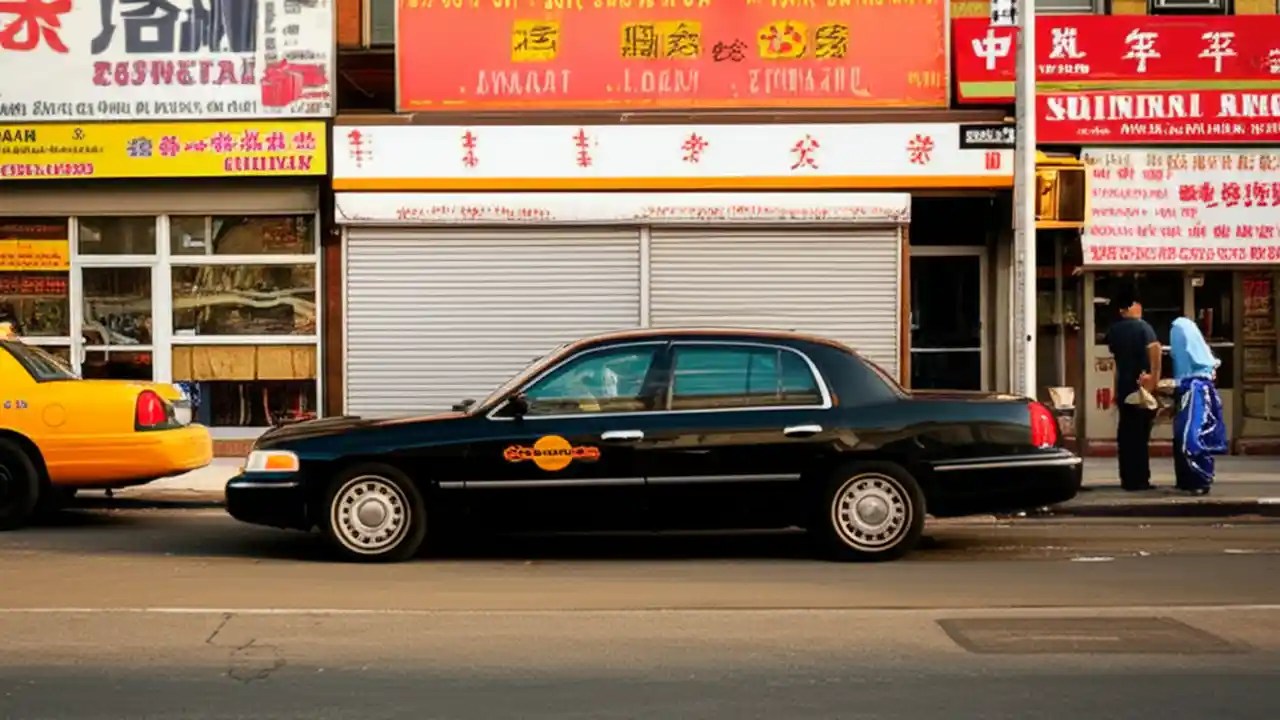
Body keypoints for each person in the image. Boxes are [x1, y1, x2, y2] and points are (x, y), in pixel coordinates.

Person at [1104, 287, 1162, 491]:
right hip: (1141, 389)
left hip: (1124, 388)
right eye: (1136, 305)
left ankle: (1127, 478)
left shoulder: (1114, 331)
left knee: (1126, 435)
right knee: (1140, 436)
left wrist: (1115, 390)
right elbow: (1155, 352)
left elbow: (1117, 364)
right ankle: (1140, 479)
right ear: (1128, 308)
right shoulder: (1144, 328)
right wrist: (1154, 379)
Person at [1170, 317, 1228, 495]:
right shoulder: (1202, 371)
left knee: (1191, 436)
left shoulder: (1198, 383)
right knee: (1186, 436)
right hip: (1190, 391)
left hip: (1194, 394)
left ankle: (1198, 479)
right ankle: (1189, 479)